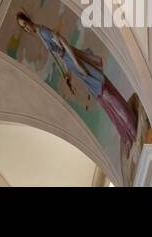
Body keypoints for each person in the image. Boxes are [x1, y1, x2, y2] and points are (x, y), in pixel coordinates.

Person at [16, 11, 138, 146]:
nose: (26, 28)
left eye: (25, 24)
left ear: (29, 20)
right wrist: (69, 71)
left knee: (104, 92)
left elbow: (63, 43)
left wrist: (78, 65)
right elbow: (60, 53)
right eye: (23, 27)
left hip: (74, 61)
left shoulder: (42, 31)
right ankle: (126, 128)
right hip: (70, 62)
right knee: (102, 95)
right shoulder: (40, 33)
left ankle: (130, 126)